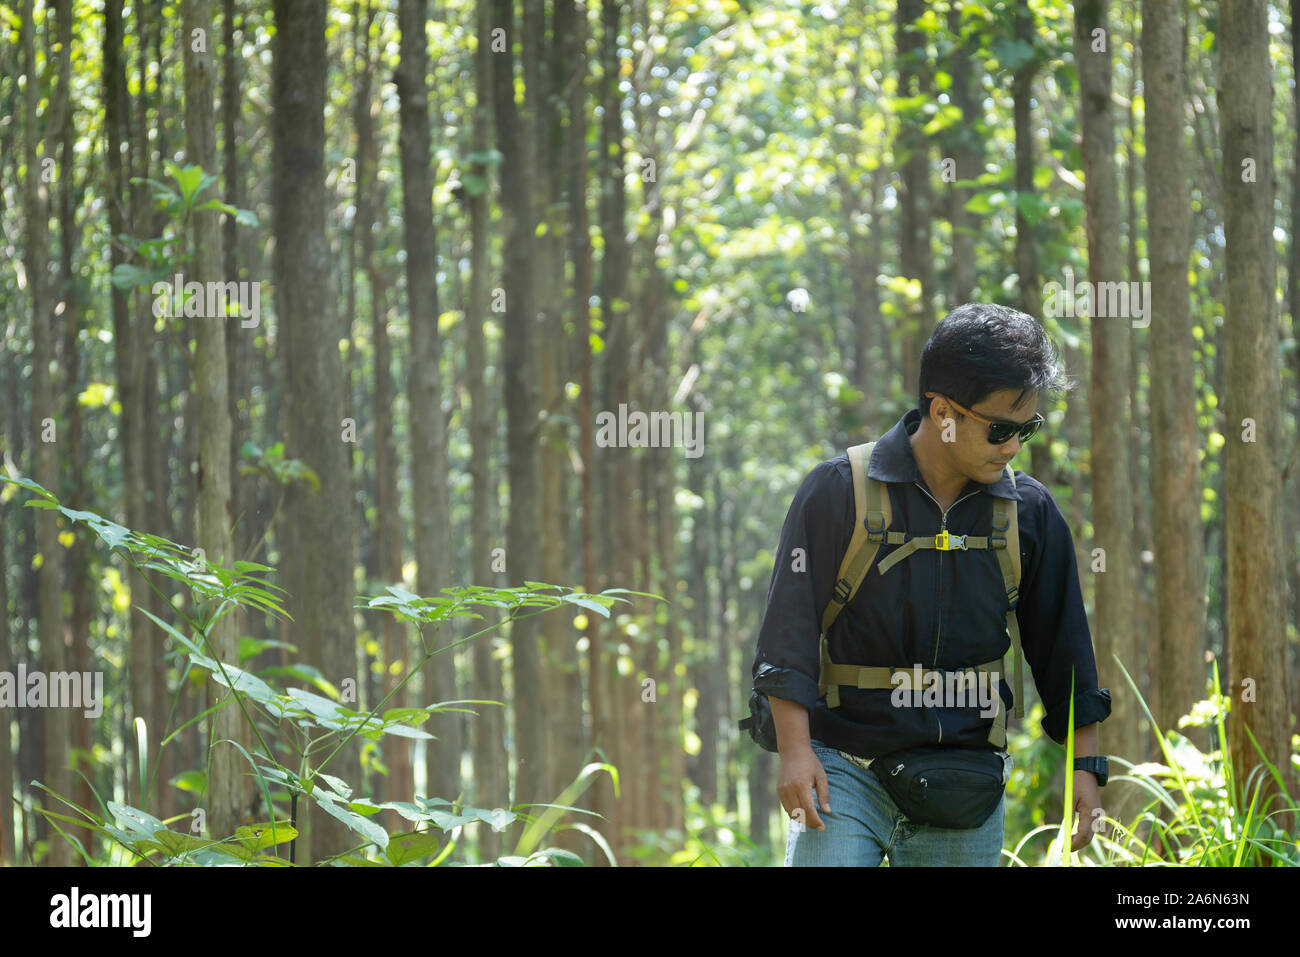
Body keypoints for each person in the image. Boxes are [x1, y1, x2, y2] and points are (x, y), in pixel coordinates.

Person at [748, 303, 1112, 866]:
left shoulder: (1030, 513)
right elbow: (786, 633)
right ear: (942, 410)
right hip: (843, 769)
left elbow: (1064, 648)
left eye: (1027, 429)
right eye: (1000, 429)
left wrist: (1085, 767)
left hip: (964, 783)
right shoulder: (836, 491)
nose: (1014, 445)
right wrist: (793, 751)